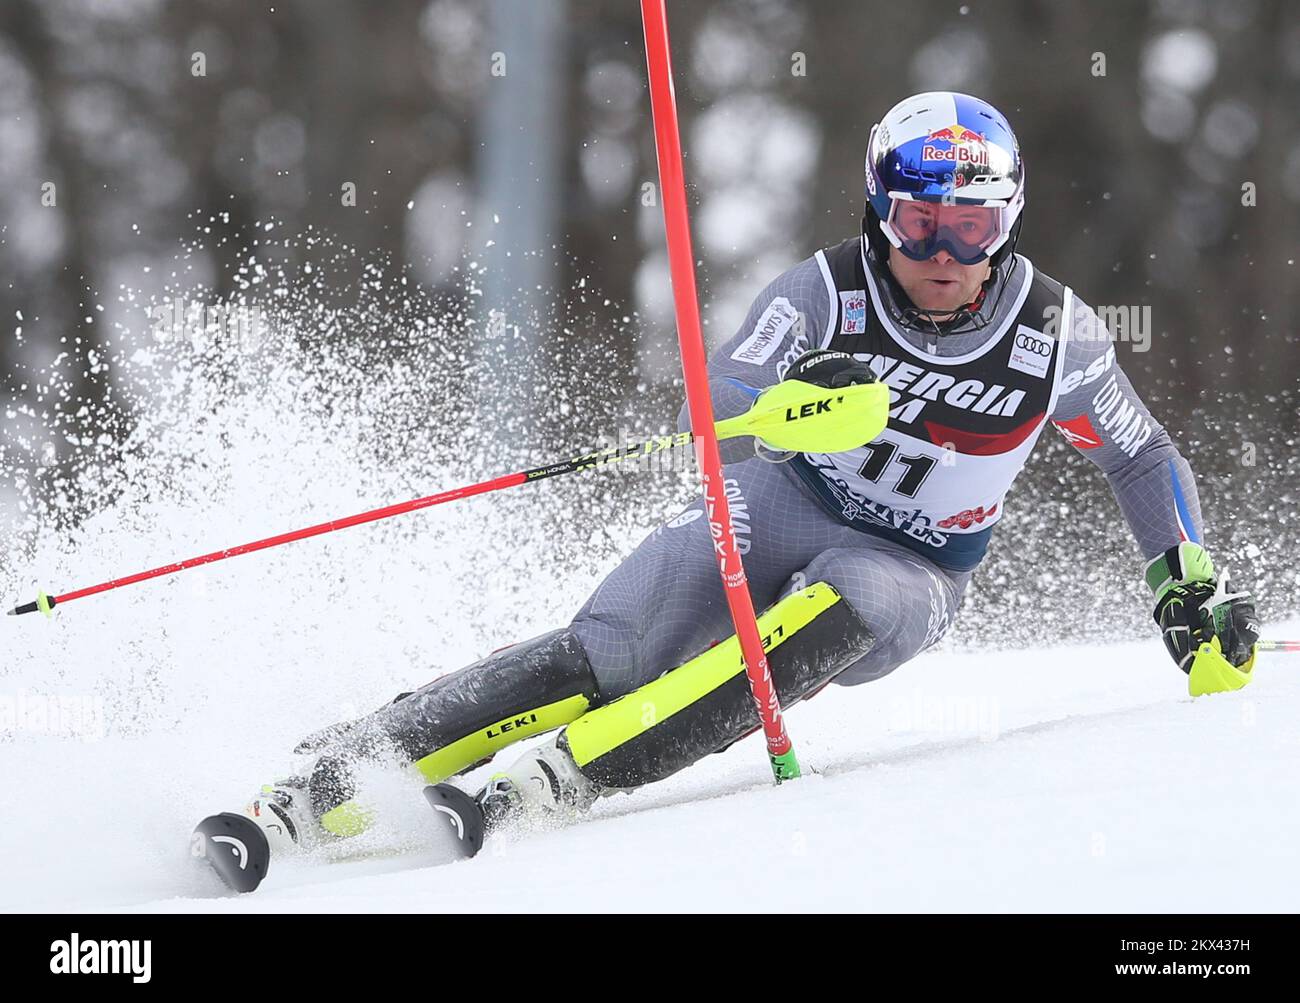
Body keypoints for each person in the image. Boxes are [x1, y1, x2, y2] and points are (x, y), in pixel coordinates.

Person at [241, 91, 1261, 855]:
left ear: (1008, 222)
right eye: (920, 223)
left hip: (912, 570)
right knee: (614, 645)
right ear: (880, 213)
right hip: (782, 500)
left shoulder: (1055, 335)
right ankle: (335, 772)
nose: (945, 253)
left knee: (842, 602)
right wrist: (791, 400)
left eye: (974, 225)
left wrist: (1181, 576)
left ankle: (563, 778)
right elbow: (714, 399)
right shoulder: (827, 291)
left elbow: (1137, 450)